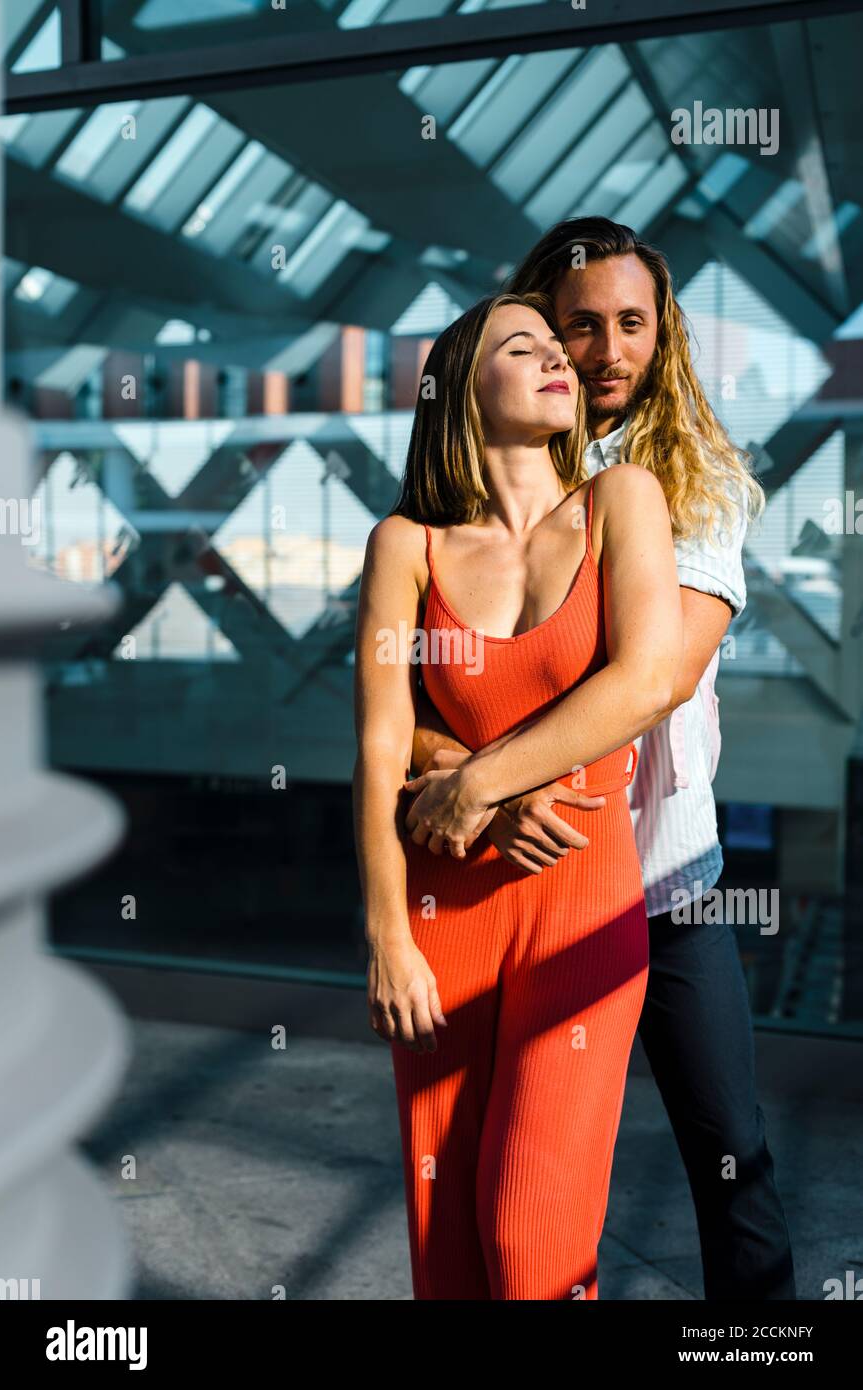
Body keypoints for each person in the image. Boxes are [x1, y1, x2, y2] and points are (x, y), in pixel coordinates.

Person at [407, 218, 796, 1301]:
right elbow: (424, 692)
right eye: (582, 326)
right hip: (512, 885)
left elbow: (658, 671)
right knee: (504, 1188)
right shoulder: (496, 484)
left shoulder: (694, 483)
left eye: (634, 323)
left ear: (664, 335)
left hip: (662, 884)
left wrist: (495, 777)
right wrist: (456, 771)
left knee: (732, 1161)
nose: (611, 349)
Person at [352, 289, 683, 1299]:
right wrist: (387, 937)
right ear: (458, 388)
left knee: (531, 1236)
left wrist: (481, 779)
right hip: (441, 915)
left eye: (558, 347)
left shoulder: (622, 499)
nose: (557, 359)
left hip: (582, 906)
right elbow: (375, 745)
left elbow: (644, 681)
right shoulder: (406, 543)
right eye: (522, 345)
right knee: (447, 1245)